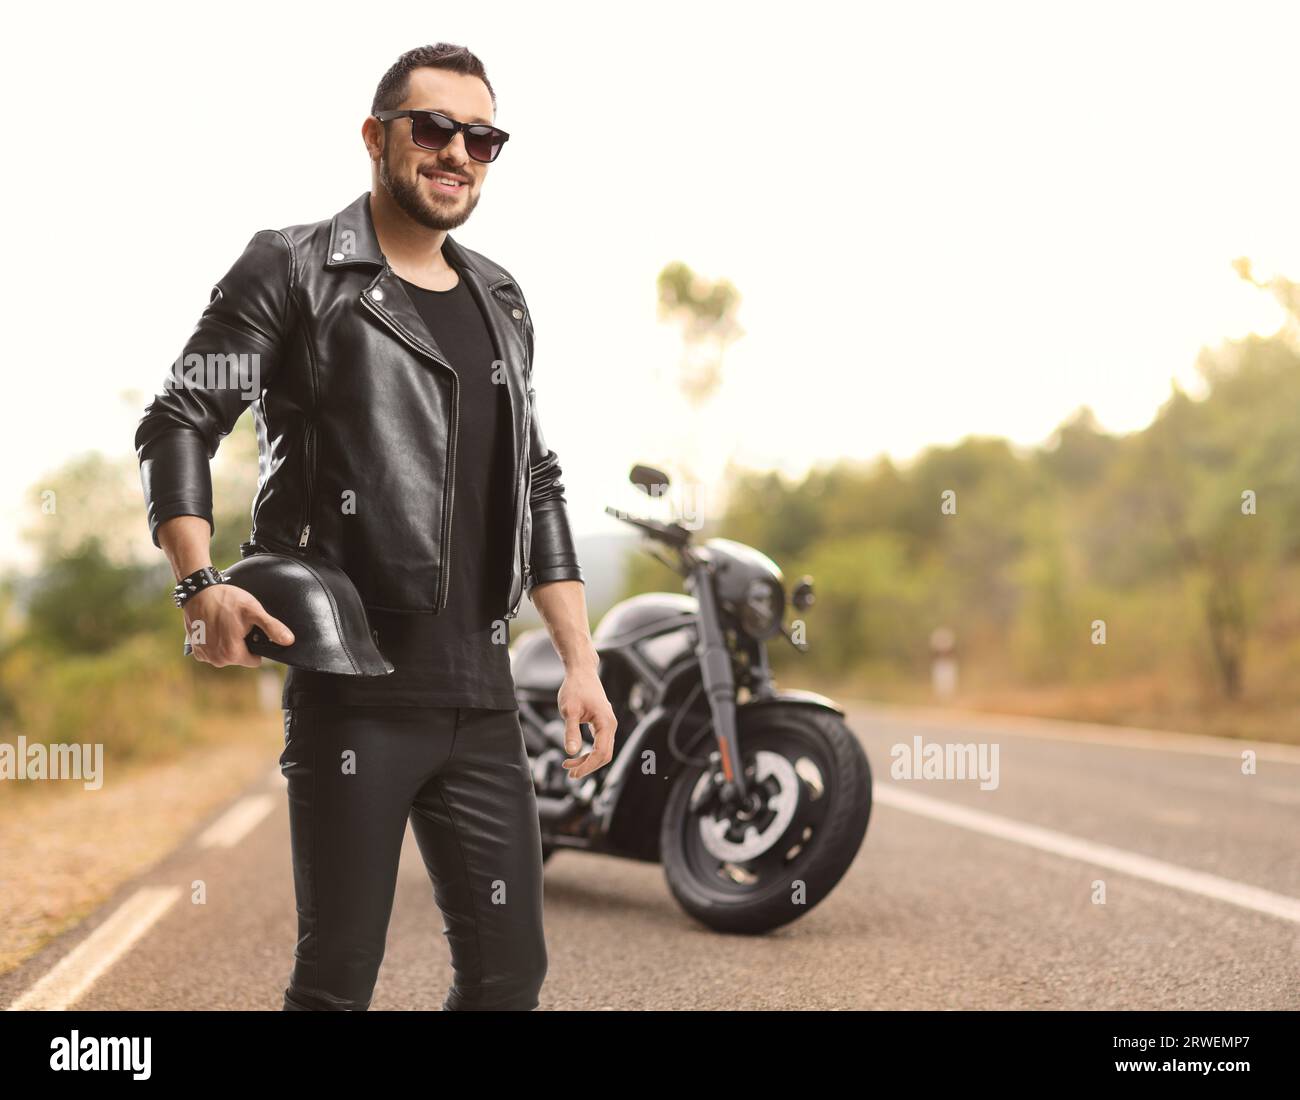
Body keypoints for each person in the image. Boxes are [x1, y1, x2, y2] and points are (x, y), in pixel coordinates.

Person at [132, 42, 617, 1011]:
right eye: (433, 128)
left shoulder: (502, 298)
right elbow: (179, 417)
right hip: (354, 691)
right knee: (337, 978)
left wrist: (580, 659)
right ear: (375, 136)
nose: (457, 152)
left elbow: (536, 479)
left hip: (479, 698)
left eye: (481, 137)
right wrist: (199, 585)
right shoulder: (295, 268)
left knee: (508, 974)